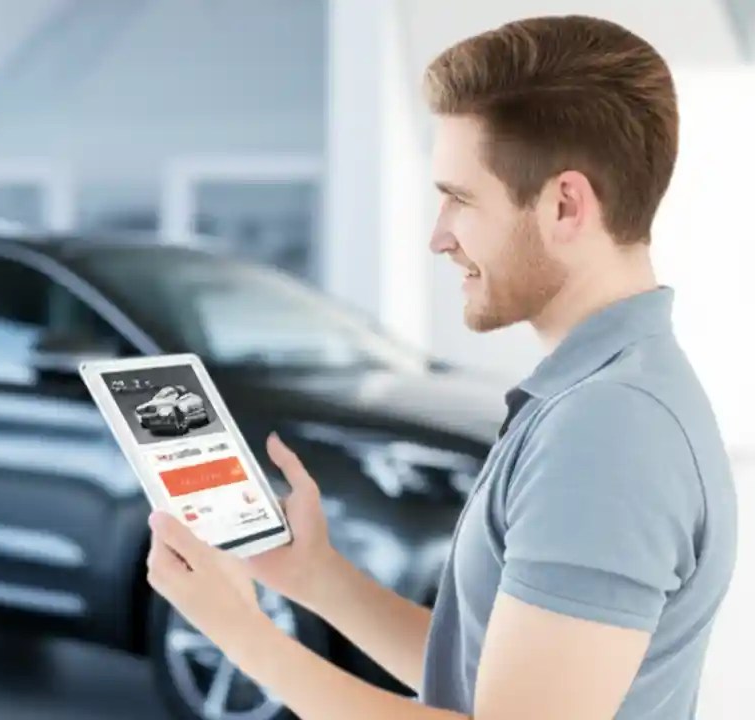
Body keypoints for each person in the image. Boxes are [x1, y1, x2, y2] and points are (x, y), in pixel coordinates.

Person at [146, 14, 736, 720]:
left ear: (564, 206)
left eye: (459, 197)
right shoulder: (600, 397)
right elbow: (493, 676)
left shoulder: (610, 430)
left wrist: (237, 632)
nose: (438, 236)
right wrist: (315, 577)